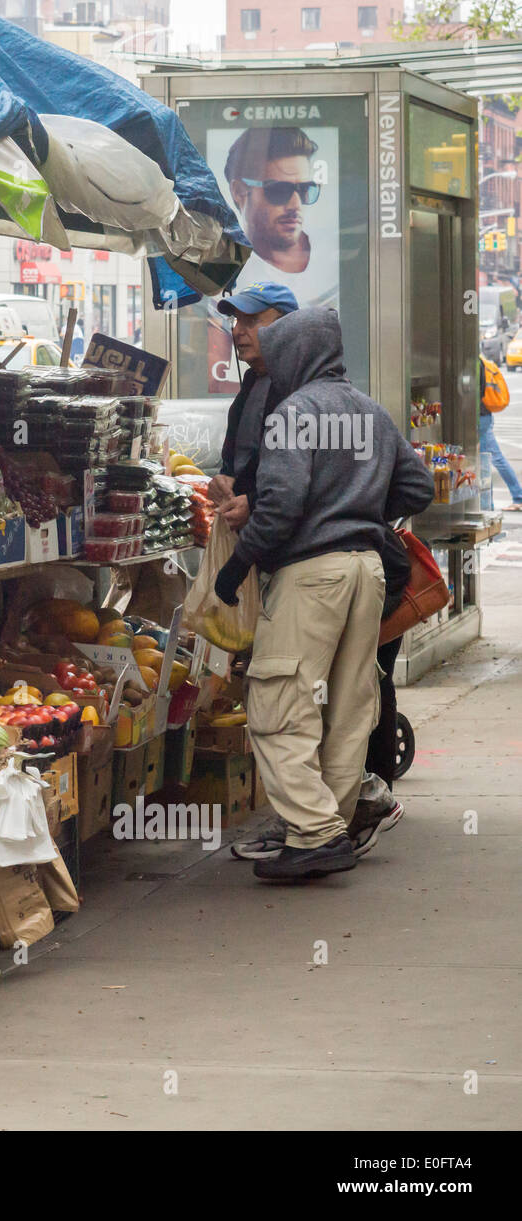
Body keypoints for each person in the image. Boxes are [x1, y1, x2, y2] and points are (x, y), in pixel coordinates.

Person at [212, 306, 435, 881]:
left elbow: (282, 506)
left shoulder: (293, 412)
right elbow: (418, 486)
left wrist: (238, 566)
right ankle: (325, 829)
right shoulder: (371, 412)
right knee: (348, 705)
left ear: (297, 356)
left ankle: (312, 832)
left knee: (277, 703)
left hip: (313, 575)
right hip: (369, 572)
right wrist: (359, 513)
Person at [207, 281, 300, 532]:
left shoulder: (302, 389)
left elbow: (308, 477)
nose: (238, 331)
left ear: (286, 326)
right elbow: (241, 458)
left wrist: (256, 504)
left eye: (251, 321)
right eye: (236, 321)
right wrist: (225, 480)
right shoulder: (252, 381)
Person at [222, 126, 339, 310]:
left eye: (305, 189)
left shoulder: (334, 258)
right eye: (278, 190)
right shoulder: (225, 276)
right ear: (239, 191)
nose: (296, 205)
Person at [478, 356, 522, 512]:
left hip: (479, 418)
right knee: (489, 459)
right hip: (484, 416)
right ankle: (514, 497)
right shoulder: (482, 361)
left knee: (488, 460)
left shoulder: (476, 364)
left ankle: (514, 498)